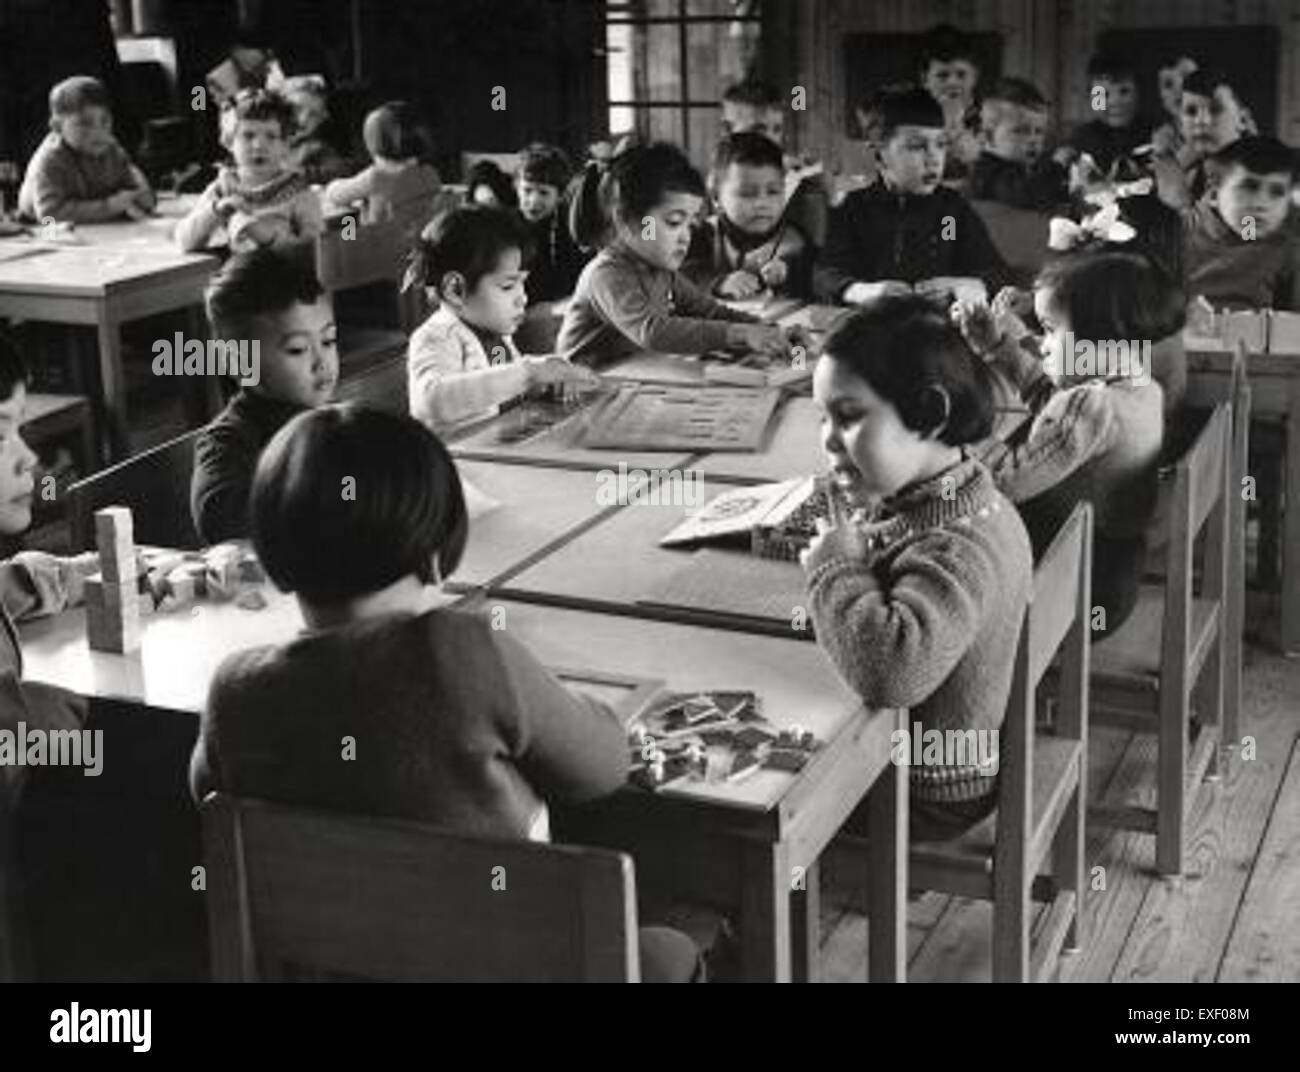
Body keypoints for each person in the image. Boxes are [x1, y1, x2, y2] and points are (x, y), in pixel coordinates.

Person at [189, 403, 703, 982]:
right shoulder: (464, 652)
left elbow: (209, 797)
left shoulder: (234, 690)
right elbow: (603, 765)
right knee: (671, 952)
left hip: (329, 968)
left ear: (275, 561)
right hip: (507, 962)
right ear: (438, 555)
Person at [801, 296, 1031, 840]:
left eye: (849, 417)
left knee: (745, 809)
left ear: (929, 414)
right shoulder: (962, 494)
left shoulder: (959, 547)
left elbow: (892, 673)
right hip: (924, 761)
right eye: (823, 418)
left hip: (924, 785)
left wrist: (835, 569)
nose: (828, 440)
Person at [957, 250, 1182, 630]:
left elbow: (1003, 482)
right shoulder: (1139, 386)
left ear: (1103, 336)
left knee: (944, 528)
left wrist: (965, 431)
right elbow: (1057, 409)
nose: (1041, 344)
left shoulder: (1092, 407)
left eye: (1050, 329)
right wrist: (998, 348)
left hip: (1070, 598)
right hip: (1110, 579)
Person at [558, 141, 795, 366]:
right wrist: (740, 334)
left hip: (633, 378)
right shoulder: (606, 274)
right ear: (625, 220)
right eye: (673, 222)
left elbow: (709, 311)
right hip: (582, 388)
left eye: (690, 224)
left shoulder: (661, 271)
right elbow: (652, 331)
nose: (685, 236)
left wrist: (769, 329)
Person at [190, 249, 337, 544]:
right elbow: (220, 520)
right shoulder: (228, 441)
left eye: (328, 340)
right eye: (297, 349)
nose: (322, 362)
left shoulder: (334, 420)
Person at [406, 205, 596, 434]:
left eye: (522, 284)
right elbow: (431, 402)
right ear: (455, 290)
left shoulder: (496, 336)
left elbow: (507, 389)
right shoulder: (437, 336)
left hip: (496, 449)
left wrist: (544, 383)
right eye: (508, 286)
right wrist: (529, 373)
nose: (523, 298)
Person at [815, 84, 1011, 305]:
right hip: (872, 326)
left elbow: (997, 275)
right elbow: (826, 274)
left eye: (940, 145)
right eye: (917, 146)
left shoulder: (951, 211)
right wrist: (862, 291)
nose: (934, 158)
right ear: (879, 152)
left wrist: (961, 286)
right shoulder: (855, 207)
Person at [174, 88, 324, 253]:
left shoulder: (299, 192)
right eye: (248, 136)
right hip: (234, 272)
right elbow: (184, 241)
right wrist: (217, 210)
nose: (259, 145)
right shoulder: (222, 188)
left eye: (271, 136)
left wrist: (267, 237)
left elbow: (316, 251)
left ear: (285, 144)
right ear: (229, 141)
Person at [682, 131, 811, 300]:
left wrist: (788, 273)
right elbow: (682, 275)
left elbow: (818, 279)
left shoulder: (795, 240)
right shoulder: (704, 234)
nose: (762, 203)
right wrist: (718, 283)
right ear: (715, 196)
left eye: (773, 192)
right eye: (747, 194)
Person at [17, 75, 155, 223]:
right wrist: (108, 207)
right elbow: (48, 214)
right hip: (40, 225)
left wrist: (142, 196)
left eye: (105, 121)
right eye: (84, 123)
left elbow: (131, 195)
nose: (98, 132)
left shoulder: (113, 150)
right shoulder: (50, 159)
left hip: (94, 220)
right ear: (57, 127)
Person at [1183, 135, 1300, 309]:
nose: (1261, 204)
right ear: (1215, 193)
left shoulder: (1286, 250)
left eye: (1277, 192)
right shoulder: (1175, 237)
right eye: (1249, 187)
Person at [324, 101, 442, 224]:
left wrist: (334, 185)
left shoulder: (375, 178)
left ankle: (347, 240)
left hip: (379, 241)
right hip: (417, 240)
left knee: (347, 222)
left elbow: (335, 195)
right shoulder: (430, 173)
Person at [967, 77, 1069, 211]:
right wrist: (1056, 166)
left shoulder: (1026, 166)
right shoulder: (989, 171)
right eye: (1021, 131)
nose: (1033, 140)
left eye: (1039, 132)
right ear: (987, 137)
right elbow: (1026, 195)